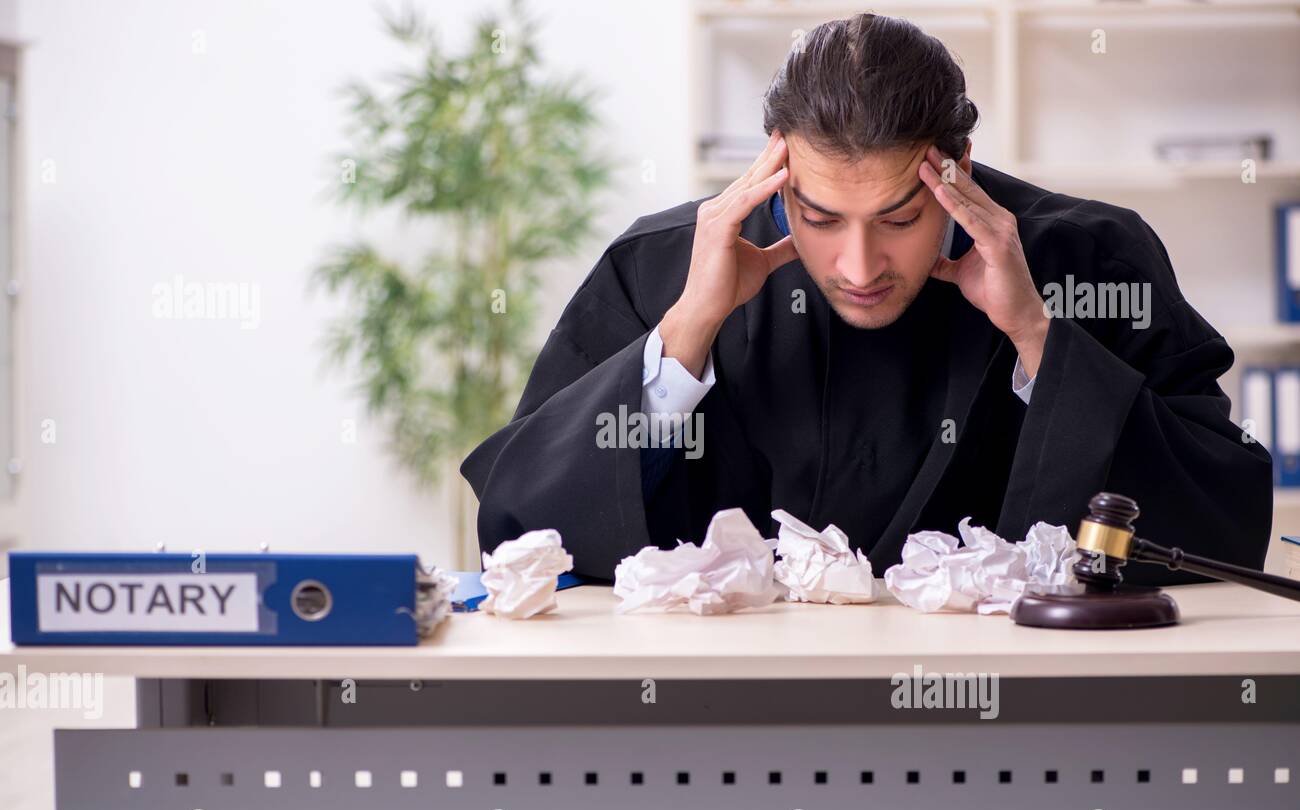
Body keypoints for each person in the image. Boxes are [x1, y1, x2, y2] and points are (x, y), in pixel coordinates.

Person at [461, 13, 1272, 585]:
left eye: (899, 217)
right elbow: (522, 531)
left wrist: (1038, 336)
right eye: (818, 216)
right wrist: (687, 331)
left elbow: (1223, 522)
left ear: (956, 167)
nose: (857, 264)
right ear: (775, 165)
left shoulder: (1089, 257)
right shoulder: (664, 265)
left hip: (1022, 711)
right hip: (719, 710)